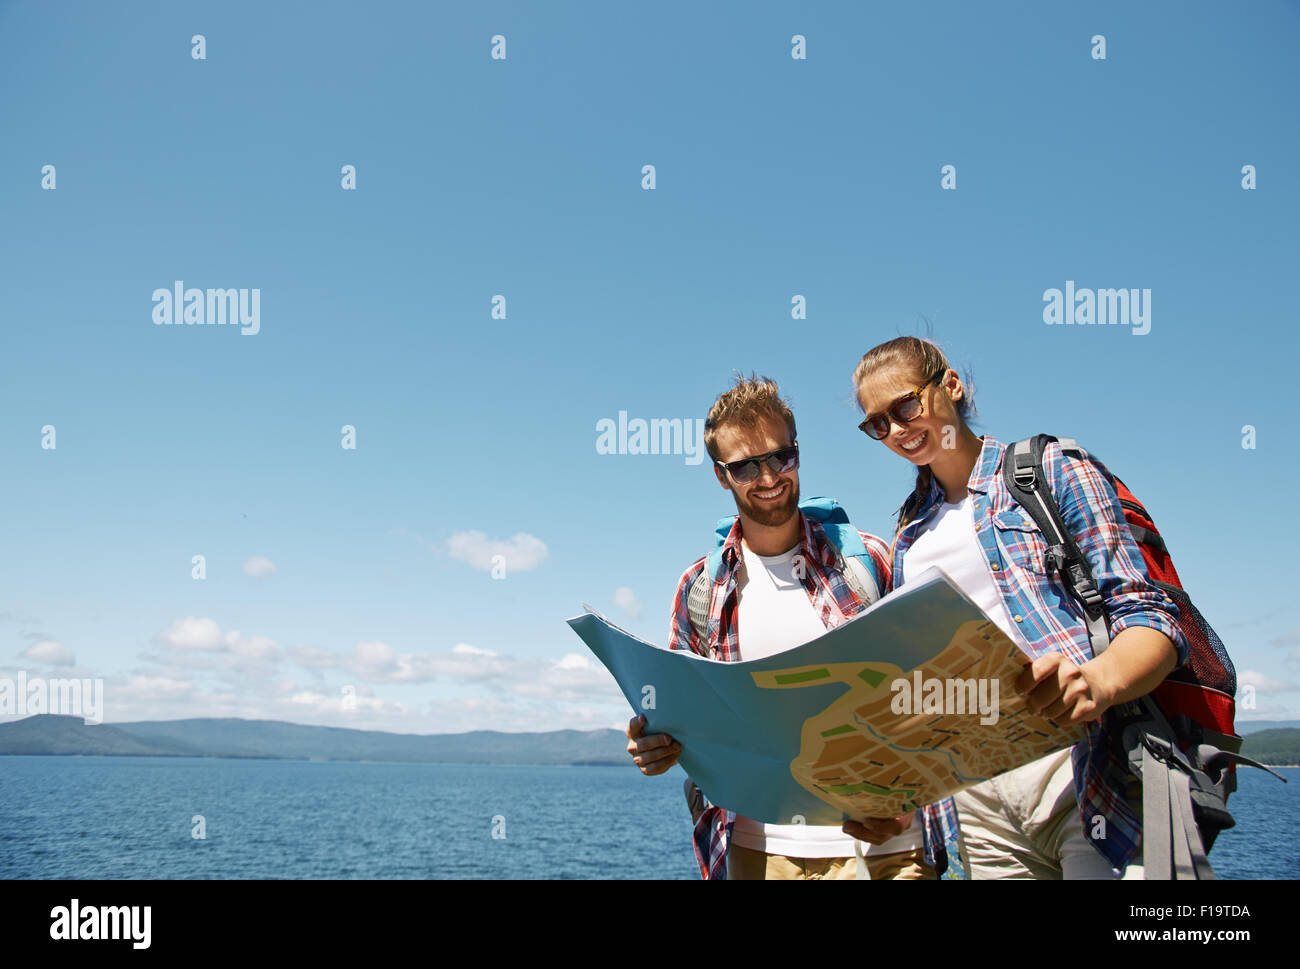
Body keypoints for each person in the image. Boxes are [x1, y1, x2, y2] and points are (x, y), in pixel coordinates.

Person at [849, 336, 1189, 879]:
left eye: (905, 406)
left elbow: (1153, 618)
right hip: (977, 803)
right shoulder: (910, 533)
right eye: (877, 424)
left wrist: (1097, 683)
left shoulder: (1049, 470)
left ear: (951, 385)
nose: (895, 430)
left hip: (1088, 770)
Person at [625, 374, 941, 880]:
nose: (768, 475)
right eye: (746, 465)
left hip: (890, 848)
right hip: (759, 850)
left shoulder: (869, 560)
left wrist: (909, 799)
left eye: (780, 456)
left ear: (798, 452)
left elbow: (930, 689)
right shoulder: (699, 589)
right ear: (720, 475)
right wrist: (655, 743)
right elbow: (682, 715)